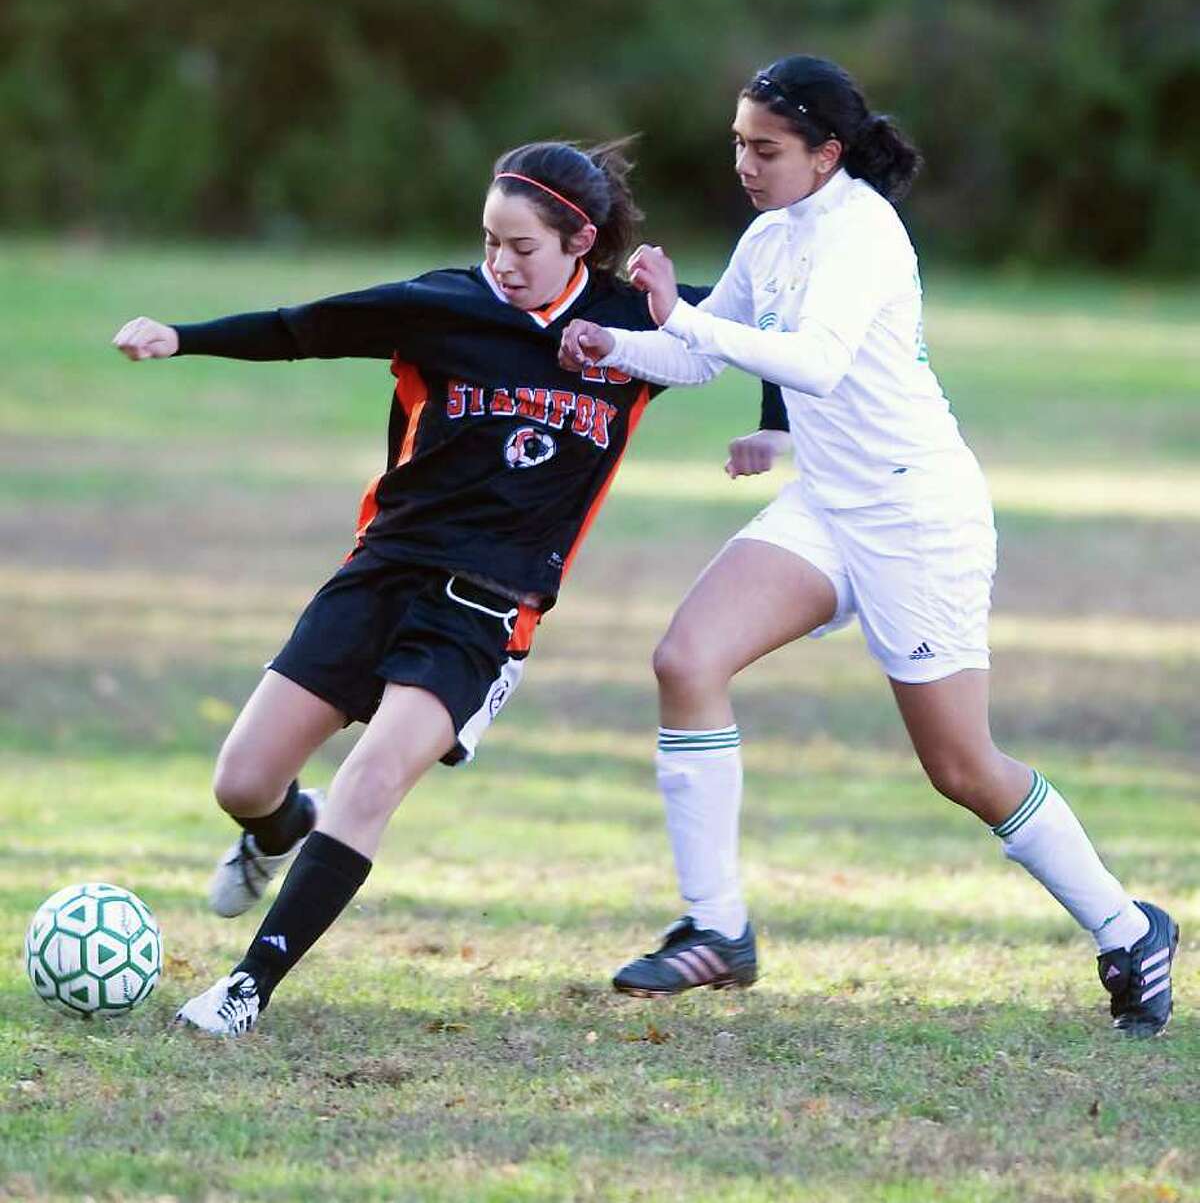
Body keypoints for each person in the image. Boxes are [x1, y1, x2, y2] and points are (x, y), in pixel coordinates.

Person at [558, 56, 1179, 1037]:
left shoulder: (865, 233)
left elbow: (817, 358)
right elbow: (700, 349)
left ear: (828, 152)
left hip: (916, 521)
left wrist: (674, 312)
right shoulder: (774, 233)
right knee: (686, 658)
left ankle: (1127, 926)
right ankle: (718, 928)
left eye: (766, 148)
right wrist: (618, 344)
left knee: (963, 768)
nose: (746, 165)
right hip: (829, 505)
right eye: (737, 144)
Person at [111, 139, 728, 1036]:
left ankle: (247, 990)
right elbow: (301, 328)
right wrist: (183, 338)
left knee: (373, 779)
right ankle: (281, 828)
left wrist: (774, 432)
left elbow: (772, 328)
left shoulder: (638, 324)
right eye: (489, 241)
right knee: (243, 780)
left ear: (578, 242)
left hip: (487, 606)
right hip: (382, 571)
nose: (500, 263)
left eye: (521, 247)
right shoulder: (441, 305)